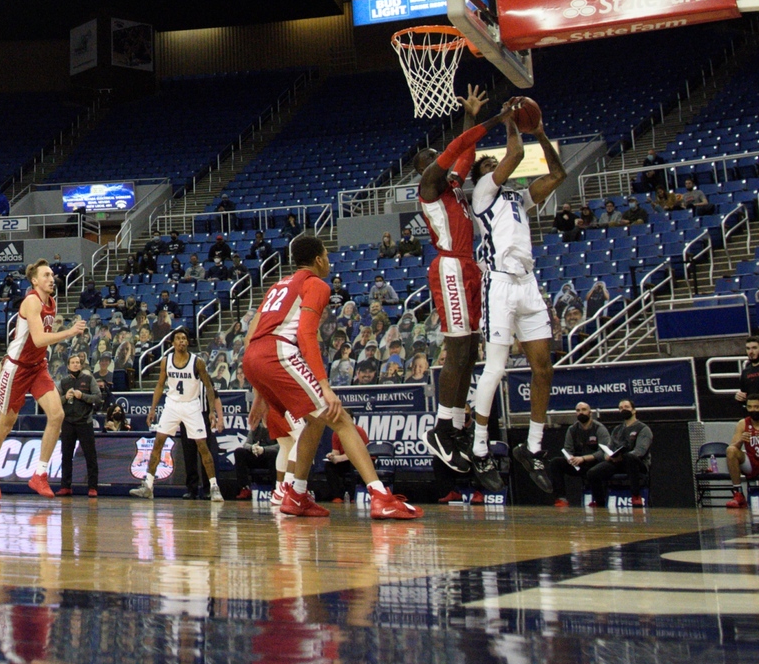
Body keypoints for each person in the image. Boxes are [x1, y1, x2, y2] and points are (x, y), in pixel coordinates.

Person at [242, 234, 419, 520]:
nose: (328, 260)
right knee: (340, 418)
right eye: (326, 255)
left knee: (314, 421)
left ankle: (297, 494)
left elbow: (251, 335)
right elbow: (305, 333)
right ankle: (380, 496)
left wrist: (259, 390)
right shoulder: (316, 284)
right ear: (318, 259)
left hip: (253, 357)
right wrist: (324, 386)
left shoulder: (278, 286)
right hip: (277, 352)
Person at [465, 98, 568, 494]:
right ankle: (479, 448)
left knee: (544, 368)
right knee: (495, 368)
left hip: (528, 284)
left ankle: (533, 446)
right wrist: (511, 123)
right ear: (482, 177)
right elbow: (515, 154)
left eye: (495, 164)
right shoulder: (483, 195)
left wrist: (539, 132)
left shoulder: (517, 199)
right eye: (489, 165)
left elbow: (557, 173)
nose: (496, 166)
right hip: (500, 285)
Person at [415, 86, 494, 475]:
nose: (440, 161)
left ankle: (457, 425)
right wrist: (493, 121)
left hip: (468, 266)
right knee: (458, 349)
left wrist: (470, 115)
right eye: (432, 159)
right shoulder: (430, 187)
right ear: (426, 168)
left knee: (472, 352)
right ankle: (442, 428)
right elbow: (454, 151)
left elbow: (466, 153)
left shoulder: (453, 184)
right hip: (449, 267)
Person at [0, 260, 88, 500]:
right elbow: (39, 339)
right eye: (46, 275)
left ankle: (40, 474)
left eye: (52, 274)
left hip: (37, 367)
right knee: (6, 423)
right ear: (35, 281)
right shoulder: (31, 301)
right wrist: (70, 332)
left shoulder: (52, 302)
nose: (51, 278)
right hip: (17, 368)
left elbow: (40, 343)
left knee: (57, 415)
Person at [132, 328, 224, 501]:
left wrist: (212, 411)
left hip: (192, 406)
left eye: (184, 338)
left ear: (187, 342)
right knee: (158, 442)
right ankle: (148, 486)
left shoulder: (197, 362)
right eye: (178, 338)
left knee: (202, 445)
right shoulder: (166, 361)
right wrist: (152, 409)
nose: (181, 341)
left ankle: (214, 487)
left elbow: (209, 387)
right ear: (173, 343)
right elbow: (160, 385)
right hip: (172, 405)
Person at [586, 399, 652, 506]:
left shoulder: (643, 428)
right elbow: (609, 448)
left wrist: (623, 457)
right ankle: (599, 502)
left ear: (634, 410)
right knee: (592, 473)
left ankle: (636, 496)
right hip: (618, 462)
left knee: (630, 457)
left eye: (626, 407)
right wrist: (608, 456)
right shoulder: (617, 429)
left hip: (637, 463)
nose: (623, 409)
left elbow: (640, 451)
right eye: (621, 408)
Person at [56, 354, 104, 498]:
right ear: (68, 365)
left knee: (90, 456)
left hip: (85, 422)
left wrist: (82, 396)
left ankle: (93, 487)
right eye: (73, 362)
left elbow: (98, 397)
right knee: (66, 456)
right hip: (68, 422)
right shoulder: (63, 381)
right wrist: (65, 397)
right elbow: (55, 401)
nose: (76, 364)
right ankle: (65, 487)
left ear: (81, 365)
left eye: (78, 362)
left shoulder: (89, 379)